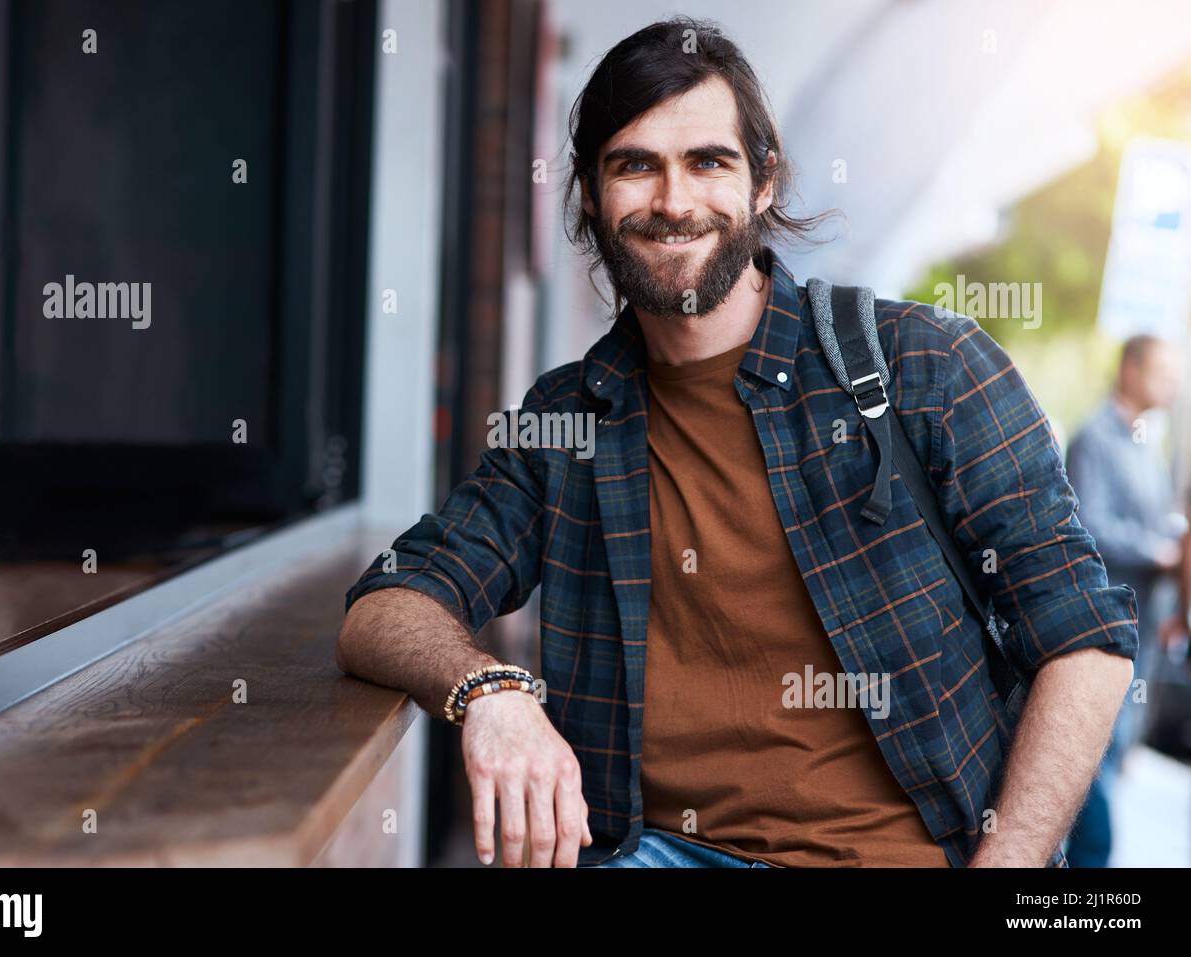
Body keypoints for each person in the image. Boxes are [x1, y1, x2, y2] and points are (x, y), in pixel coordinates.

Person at [336, 17, 1138, 868]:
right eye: (634, 164)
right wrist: (490, 693)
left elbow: (1084, 641)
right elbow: (382, 606)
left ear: (763, 182)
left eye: (708, 162)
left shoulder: (926, 365)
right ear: (588, 195)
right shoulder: (567, 420)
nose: (673, 201)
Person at [1062, 334, 1186, 866]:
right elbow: (1086, 525)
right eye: (1161, 372)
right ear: (1130, 371)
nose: (1171, 384)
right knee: (1098, 758)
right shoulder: (1095, 438)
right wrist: (1156, 551)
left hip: (1144, 630)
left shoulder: (1145, 443)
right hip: (1107, 627)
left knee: (1117, 752)